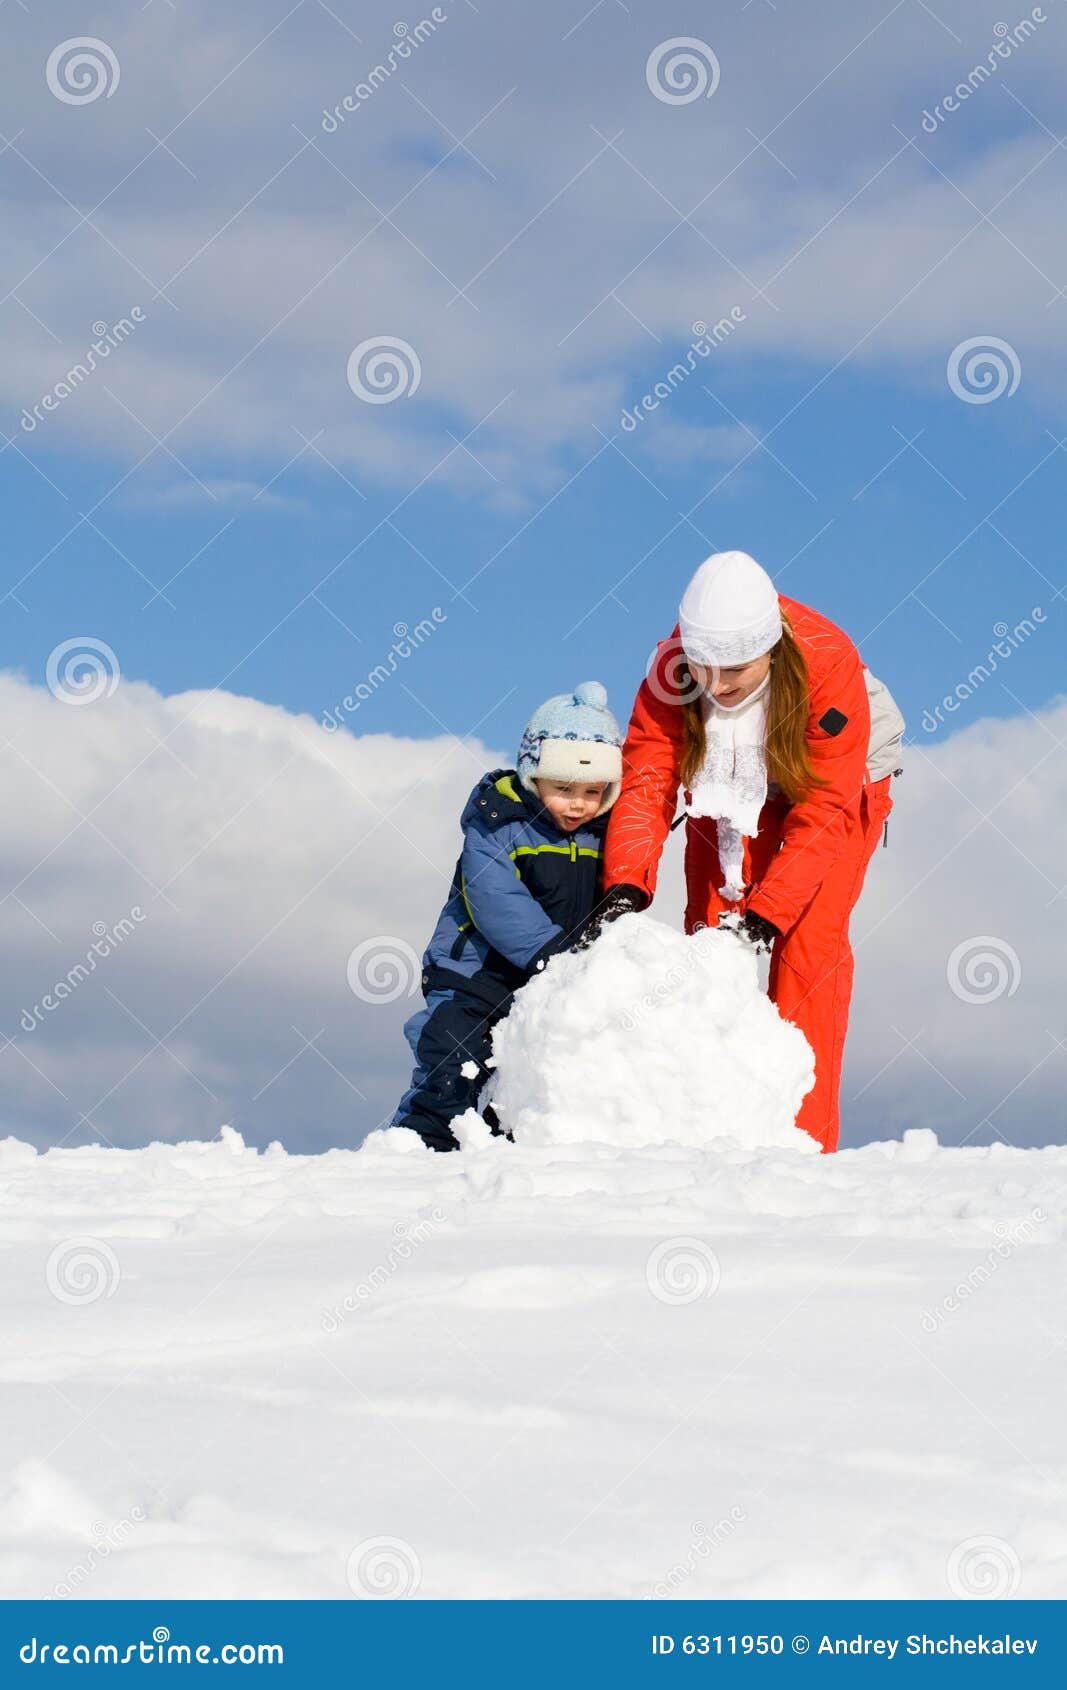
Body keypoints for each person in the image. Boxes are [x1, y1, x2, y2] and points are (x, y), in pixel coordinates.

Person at [594, 550, 905, 1154]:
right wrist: (626, 883)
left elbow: (825, 809)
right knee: (711, 935)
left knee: (807, 948)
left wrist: (769, 912)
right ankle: (713, 1128)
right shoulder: (671, 669)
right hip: (727, 775)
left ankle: (804, 1146)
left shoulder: (827, 659)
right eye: (703, 667)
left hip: (839, 778)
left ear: (770, 649)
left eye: (736, 668)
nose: (717, 684)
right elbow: (650, 776)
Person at [390, 681, 623, 1152]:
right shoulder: (498, 822)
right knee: (453, 1059)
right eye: (563, 788)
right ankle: (418, 1146)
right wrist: (551, 953)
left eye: (593, 791)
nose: (578, 803)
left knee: (531, 1069)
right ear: (532, 777)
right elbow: (494, 896)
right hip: (476, 975)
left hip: (553, 978)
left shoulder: (606, 835)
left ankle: (507, 1156)